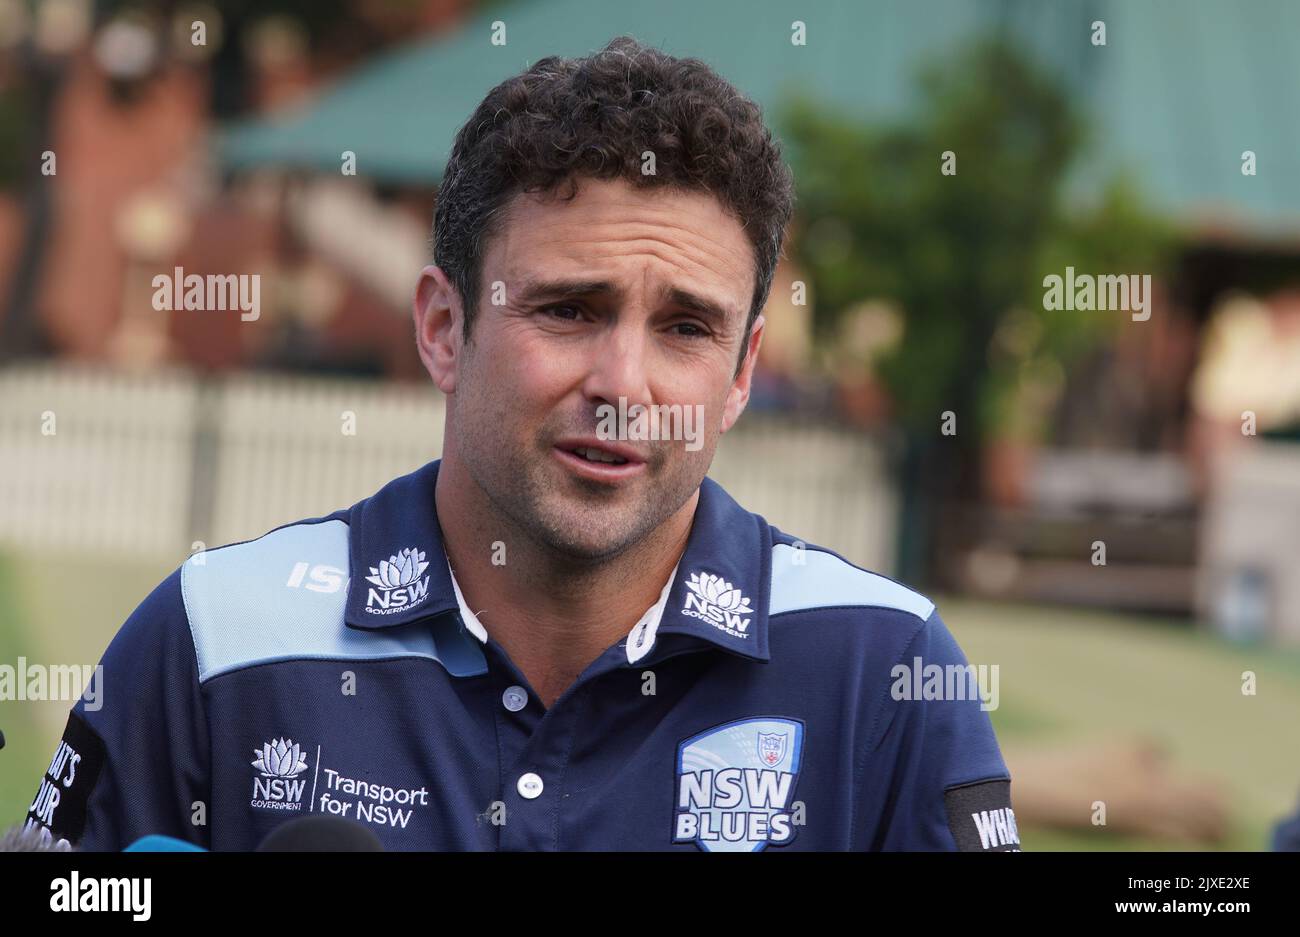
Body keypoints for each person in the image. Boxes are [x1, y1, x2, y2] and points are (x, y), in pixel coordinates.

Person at [24, 35, 1016, 852]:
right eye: (570, 309)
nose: (622, 385)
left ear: (744, 371)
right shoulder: (216, 638)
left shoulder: (882, 666)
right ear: (443, 327)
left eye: (685, 328)